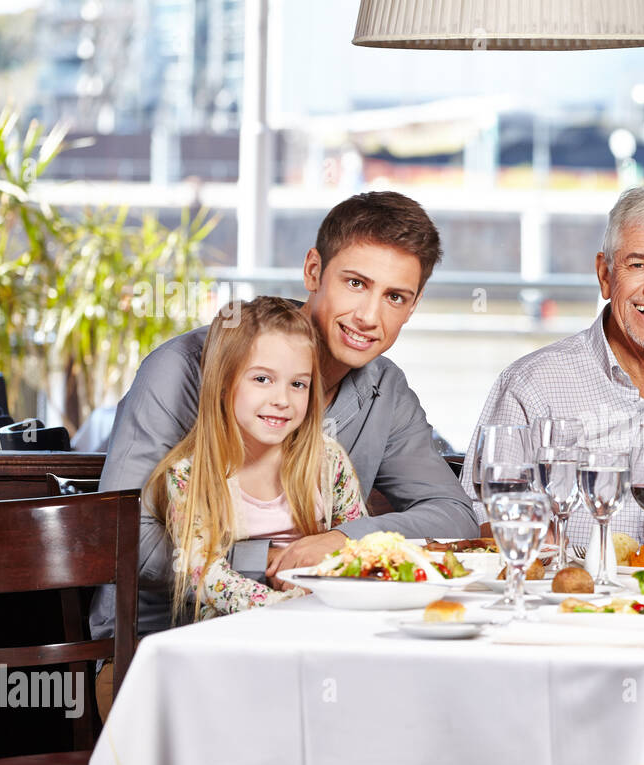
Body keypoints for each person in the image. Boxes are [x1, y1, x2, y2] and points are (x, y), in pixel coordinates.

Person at [90, 191, 477, 644]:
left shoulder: (385, 390)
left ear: (413, 306)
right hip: (159, 641)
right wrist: (275, 558)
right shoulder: (181, 368)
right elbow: (122, 538)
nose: (369, 316)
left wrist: (344, 541)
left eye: (394, 296)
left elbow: (454, 515)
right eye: (356, 283)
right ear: (314, 271)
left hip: (317, 632)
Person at [463, 179, 644, 545]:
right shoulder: (532, 384)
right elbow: (479, 513)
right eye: (638, 264)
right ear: (605, 275)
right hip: (570, 594)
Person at [147, 297, 366, 622]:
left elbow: (358, 550)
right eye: (262, 379)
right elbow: (205, 576)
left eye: (297, 384)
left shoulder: (328, 461)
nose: (281, 400)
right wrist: (287, 607)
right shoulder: (190, 473)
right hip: (234, 637)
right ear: (223, 384)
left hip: (325, 625)